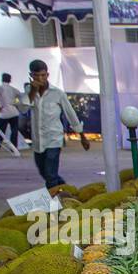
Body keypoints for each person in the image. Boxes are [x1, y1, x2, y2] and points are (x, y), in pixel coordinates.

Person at [26, 59, 89, 189]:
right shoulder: (28, 90)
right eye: (36, 76)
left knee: (50, 174)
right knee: (44, 172)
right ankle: (66, 189)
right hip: (38, 140)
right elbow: (23, 108)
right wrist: (33, 91)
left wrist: (82, 136)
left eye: (43, 75)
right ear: (31, 76)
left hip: (54, 138)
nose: (40, 78)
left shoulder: (57, 93)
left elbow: (70, 114)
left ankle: (54, 204)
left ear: (47, 75)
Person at [0, 73, 22, 151]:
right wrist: (15, 103)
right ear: (10, 80)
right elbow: (20, 96)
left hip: (4, 112)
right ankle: (14, 147)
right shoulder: (13, 89)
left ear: (2, 79)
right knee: (14, 131)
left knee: (1, 131)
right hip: (14, 112)